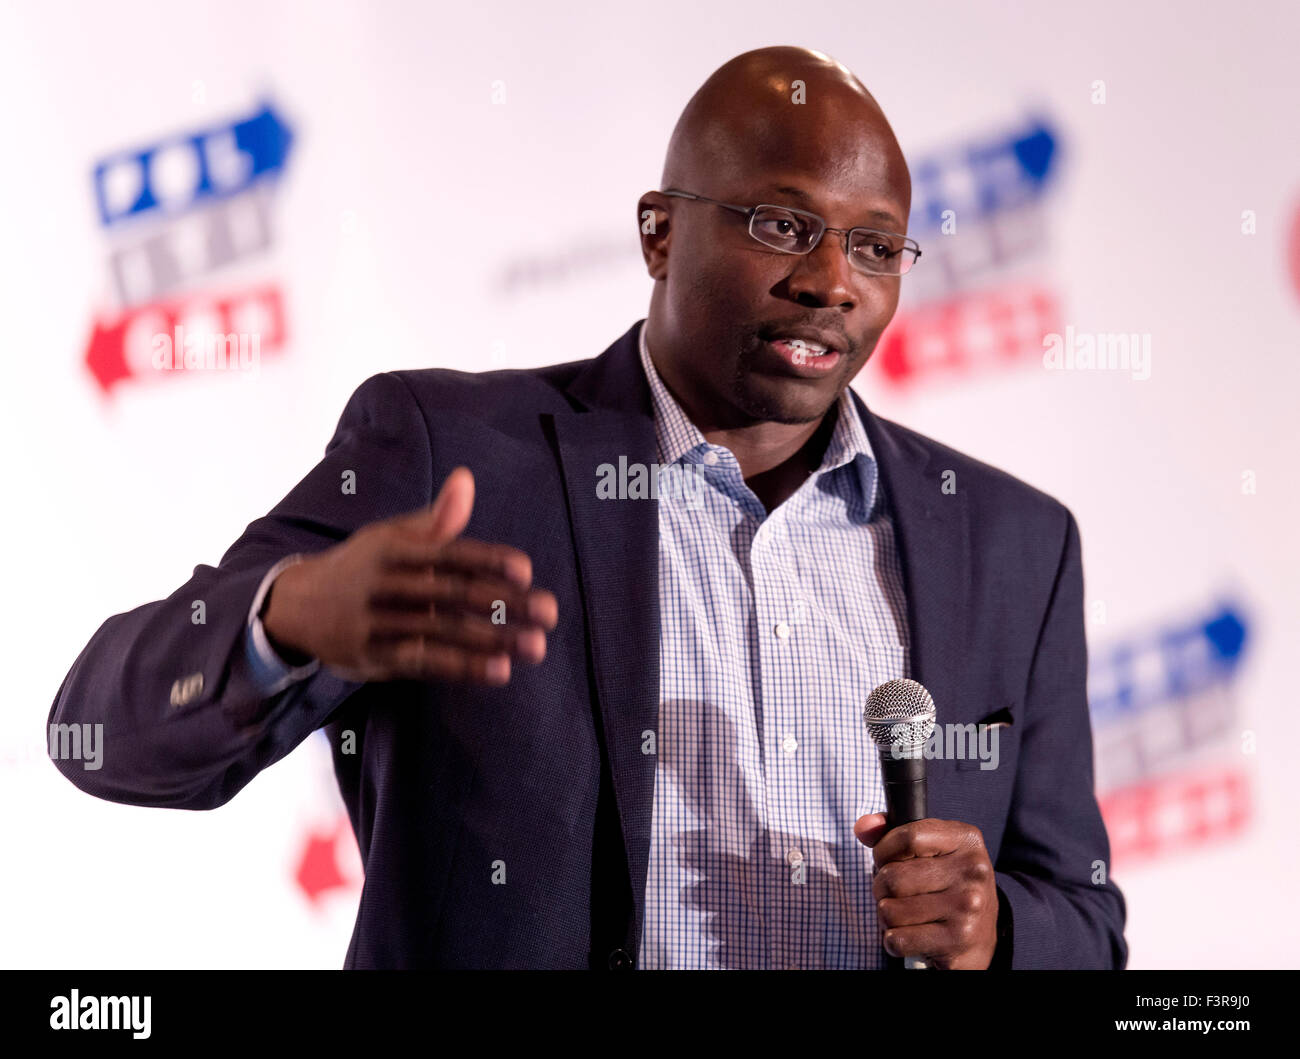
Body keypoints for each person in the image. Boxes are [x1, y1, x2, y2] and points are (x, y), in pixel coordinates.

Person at [48, 46, 1127, 969]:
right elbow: (101, 733)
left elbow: (1086, 919)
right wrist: (286, 620)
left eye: (877, 246)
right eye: (782, 224)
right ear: (659, 233)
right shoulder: (455, 458)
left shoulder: (1011, 545)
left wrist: (996, 934)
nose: (831, 280)